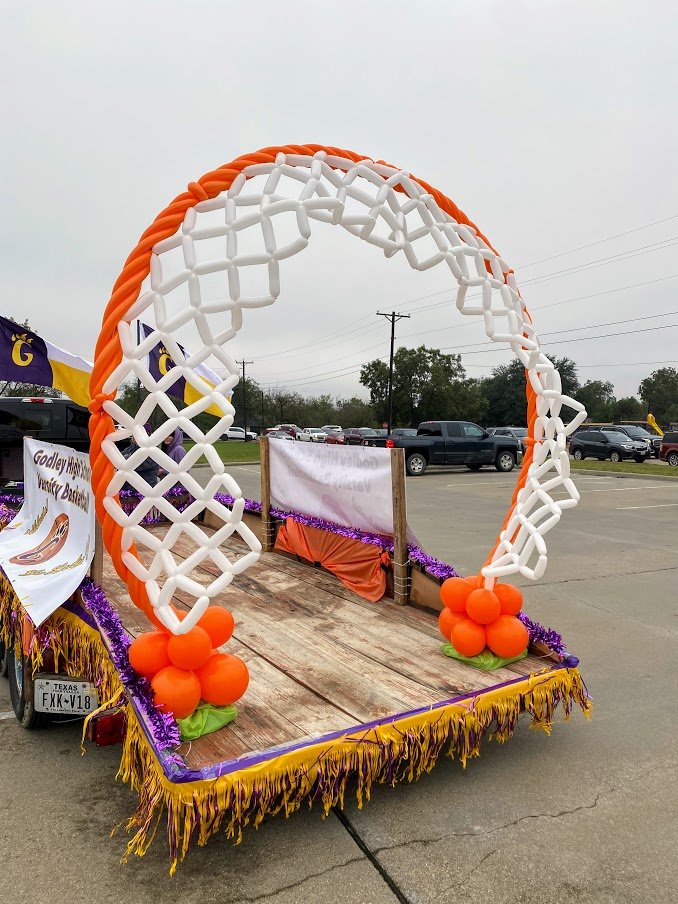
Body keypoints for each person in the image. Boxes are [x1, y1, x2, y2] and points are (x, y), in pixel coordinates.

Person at [121, 424, 159, 490]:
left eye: (139, 434)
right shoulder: (128, 449)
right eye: (135, 434)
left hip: (145, 491)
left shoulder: (153, 451)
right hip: (127, 490)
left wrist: (124, 465)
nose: (136, 436)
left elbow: (141, 466)